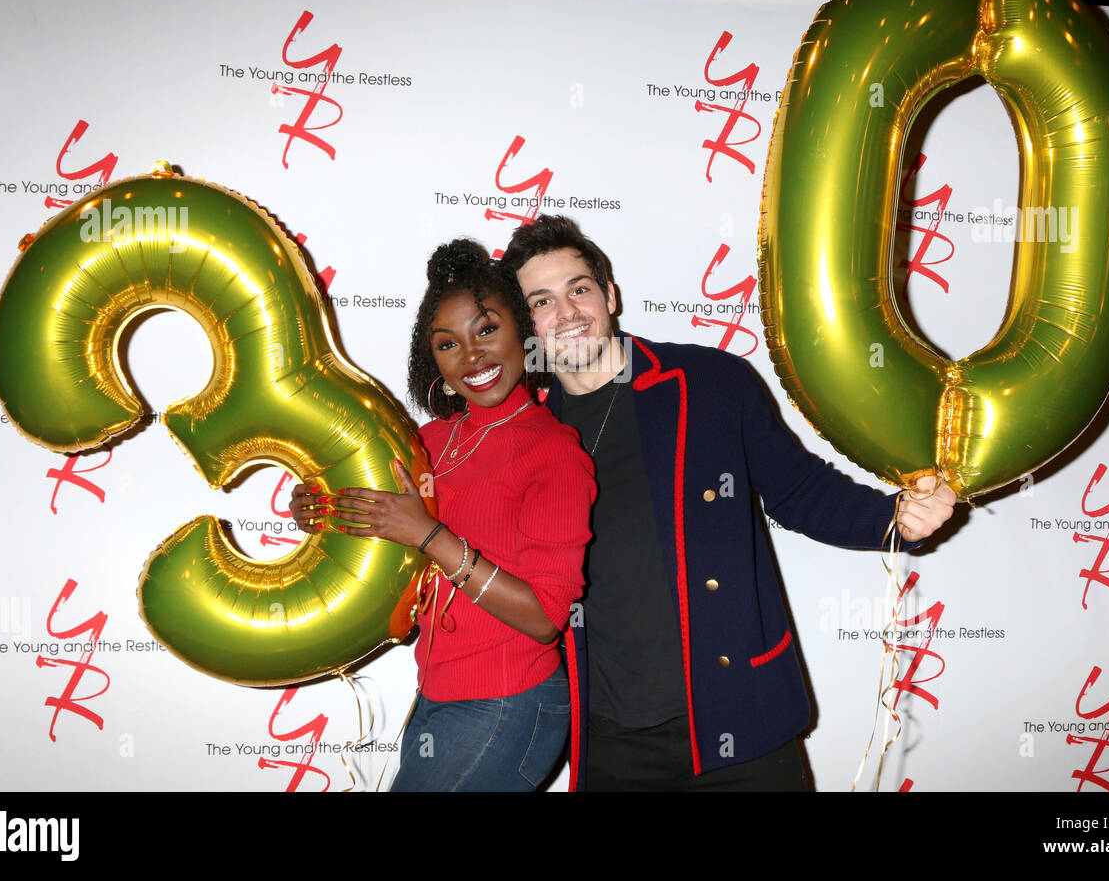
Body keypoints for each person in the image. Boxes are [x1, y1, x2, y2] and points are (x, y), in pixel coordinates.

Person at [499, 215, 957, 791]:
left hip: (739, 722)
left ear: (609, 295)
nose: (566, 313)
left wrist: (894, 520)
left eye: (579, 289)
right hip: (607, 738)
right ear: (527, 324)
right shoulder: (526, 432)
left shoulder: (709, 382)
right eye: (541, 301)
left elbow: (798, 491)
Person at [290, 240, 595, 791]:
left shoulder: (554, 452)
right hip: (433, 696)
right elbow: (382, 520)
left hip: (509, 704)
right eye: (447, 344)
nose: (471, 356)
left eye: (486, 330)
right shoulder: (430, 439)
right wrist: (322, 510)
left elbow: (546, 616)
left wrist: (429, 535)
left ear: (523, 332)